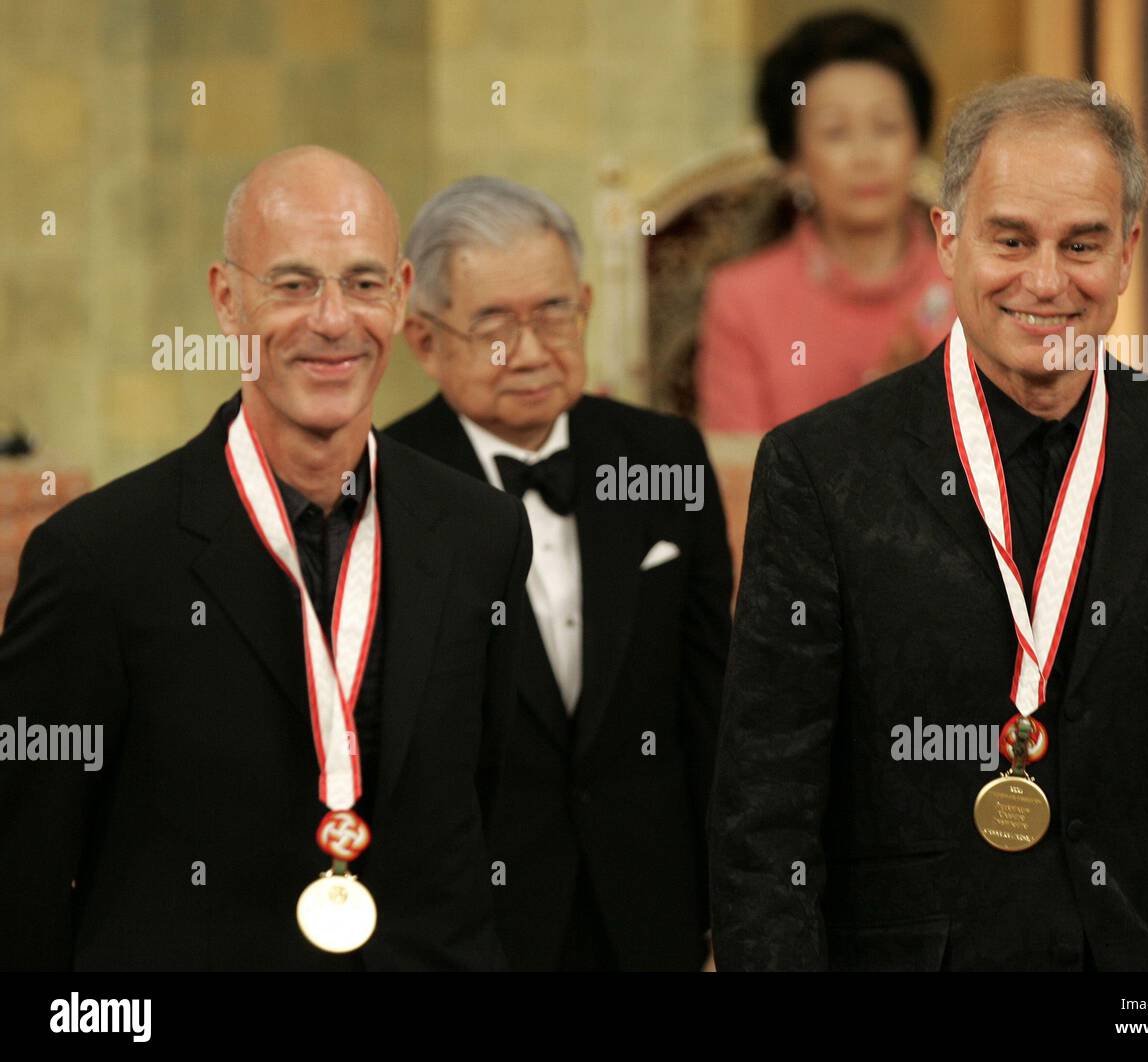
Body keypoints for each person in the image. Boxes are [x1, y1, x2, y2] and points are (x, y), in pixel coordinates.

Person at [709, 77, 1148, 971]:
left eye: (1083, 244)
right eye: (1012, 239)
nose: (1047, 281)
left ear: (1130, 251)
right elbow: (767, 809)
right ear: (948, 239)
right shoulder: (823, 470)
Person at [0, 146, 532, 971]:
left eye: (362, 283)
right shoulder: (97, 559)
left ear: (398, 296)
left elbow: (492, 811)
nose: (332, 320)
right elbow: (25, 871)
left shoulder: (483, 535)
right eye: (292, 284)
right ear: (226, 300)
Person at [385, 176, 732, 971]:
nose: (534, 351)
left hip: (655, 918)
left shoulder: (664, 456)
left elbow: (712, 703)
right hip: (470, 931)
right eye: (495, 326)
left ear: (585, 304)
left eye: (553, 313)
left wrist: (729, 910)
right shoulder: (388, 489)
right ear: (425, 340)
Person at [694, 9, 954, 435]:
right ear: (794, 162)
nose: (867, 156)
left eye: (886, 127)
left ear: (916, 143)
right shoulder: (741, 300)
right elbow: (741, 483)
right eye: (836, 132)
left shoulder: (968, 289)